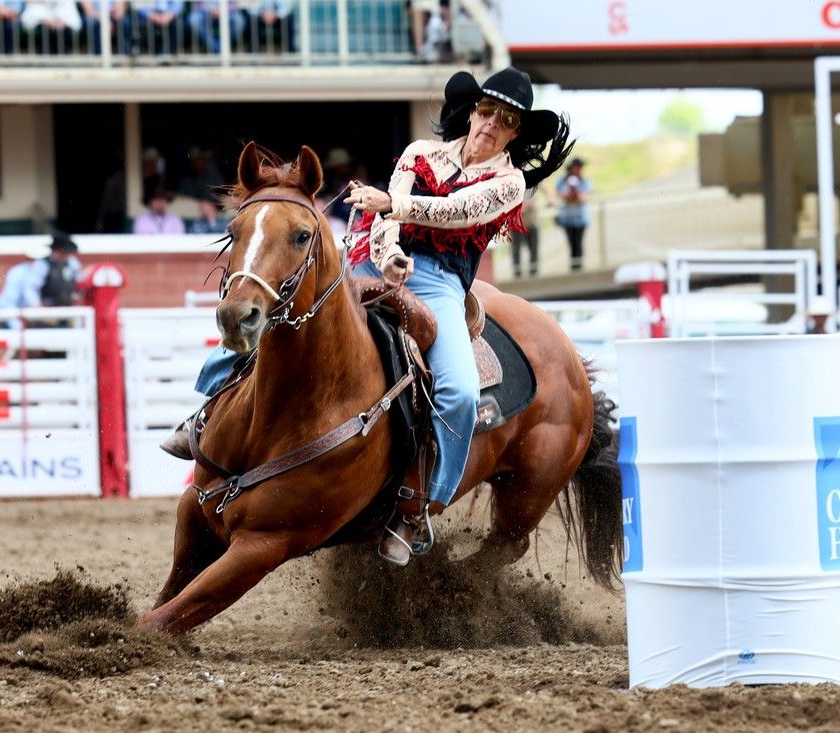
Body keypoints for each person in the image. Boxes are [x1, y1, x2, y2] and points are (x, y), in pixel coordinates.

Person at [161, 67, 573, 568]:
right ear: (473, 112)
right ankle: (204, 415)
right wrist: (388, 254)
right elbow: (384, 223)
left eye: (505, 119)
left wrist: (391, 204)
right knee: (270, 309)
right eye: (487, 110)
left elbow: (458, 212)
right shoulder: (421, 153)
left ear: (515, 131)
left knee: (460, 391)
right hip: (371, 260)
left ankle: (417, 505)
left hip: (439, 284)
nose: (490, 123)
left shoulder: (508, 184)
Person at [22, 231, 83, 329]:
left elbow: (79, 285)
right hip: (48, 312)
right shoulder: (43, 265)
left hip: (68, 311)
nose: (64, 255)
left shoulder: (73, 264)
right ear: (55, 250)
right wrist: (37, 305)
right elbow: (30, 287)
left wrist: (75, 297)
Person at [0, 246, 50, 329]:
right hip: (9, 316)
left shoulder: (42, 271)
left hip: (24, 317)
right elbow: (9, 303)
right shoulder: (18, 273)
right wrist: (17, 326)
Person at [556, 157, 590, 272]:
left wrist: (576, 195)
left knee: (579, 244)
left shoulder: (583, 181)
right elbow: (561, 195)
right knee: (572, 244)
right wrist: (570, 195)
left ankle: (578, 267)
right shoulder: (563, 181)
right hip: (567, 219)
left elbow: (584, 197)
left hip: (580, 219)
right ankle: (574, 267)